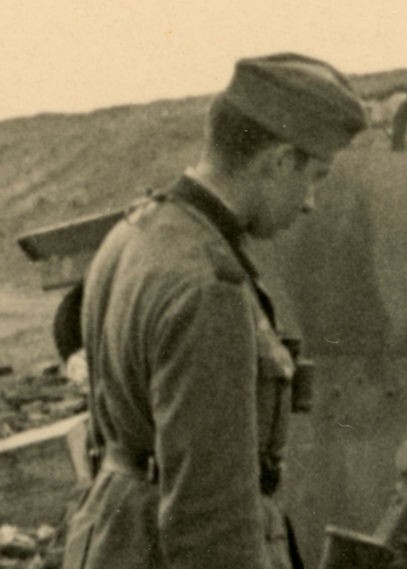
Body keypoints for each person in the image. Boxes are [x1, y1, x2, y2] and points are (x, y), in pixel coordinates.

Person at [62, 53, 367, 569]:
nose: (311, 201)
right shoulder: (210, 287)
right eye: (314, 175)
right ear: (275, 161)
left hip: (114, 537)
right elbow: (212, 526)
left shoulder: (134, 232)